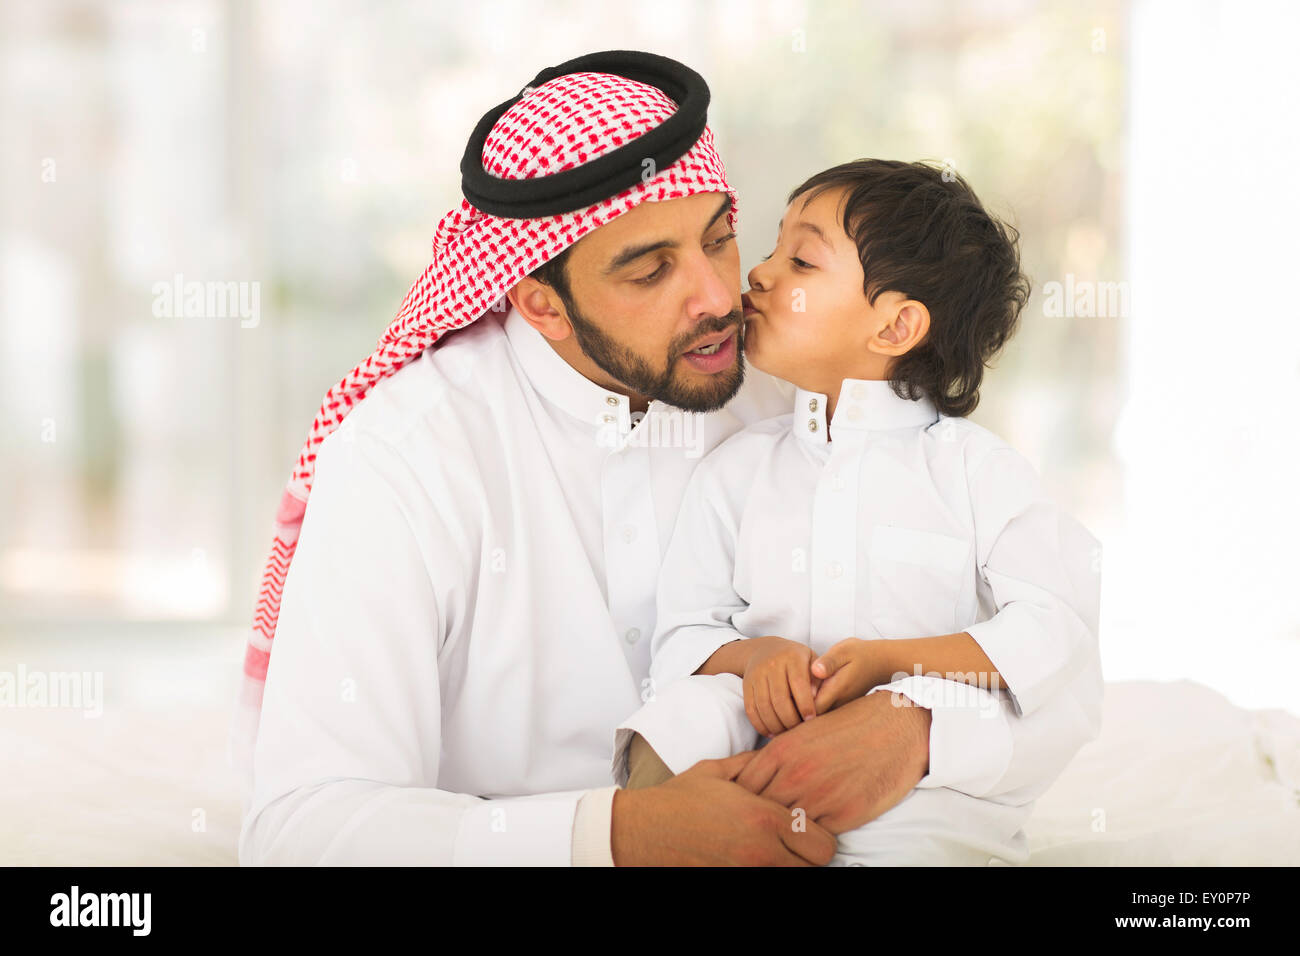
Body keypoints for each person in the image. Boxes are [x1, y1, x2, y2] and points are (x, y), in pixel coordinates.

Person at [235, 52, 1091, 866]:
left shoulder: (793, 401)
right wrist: (619, 836)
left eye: (720, 238)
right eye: (652, 271)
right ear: (541, 302)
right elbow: (304, 828)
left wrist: (919, 731)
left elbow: (1062, 672)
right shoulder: (408, 458)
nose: (723, 297)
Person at [615, 159, 1104, 865]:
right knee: (680, 715)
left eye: (802, 260)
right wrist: (755, 659)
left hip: (919, 797)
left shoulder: (976, 471)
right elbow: (686, 630)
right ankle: (651, 834)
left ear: (897, 326)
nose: (758, 272)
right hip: (756, 759)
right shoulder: (735, 470)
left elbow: (1054, 627)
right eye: (773, 247)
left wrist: (894, 666)